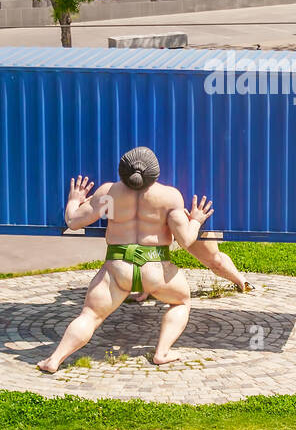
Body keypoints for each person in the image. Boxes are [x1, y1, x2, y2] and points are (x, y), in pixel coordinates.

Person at [37, 147, 212, 371]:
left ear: (122, 171)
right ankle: (162, 352)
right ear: (155, 173)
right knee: (181, 301)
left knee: (90, 315)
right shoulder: (170, 196)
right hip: (156, 270)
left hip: (117, 269)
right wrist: (196, 219)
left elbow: (73, 221)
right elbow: (186, 239)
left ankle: (54, 359)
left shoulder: (108, 193)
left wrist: (74, 200)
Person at [130, 238, 250, 305]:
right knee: (148, 247)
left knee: (215, 260)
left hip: (188, 212)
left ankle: (242, 281)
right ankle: (146, 288)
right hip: (158, 210)